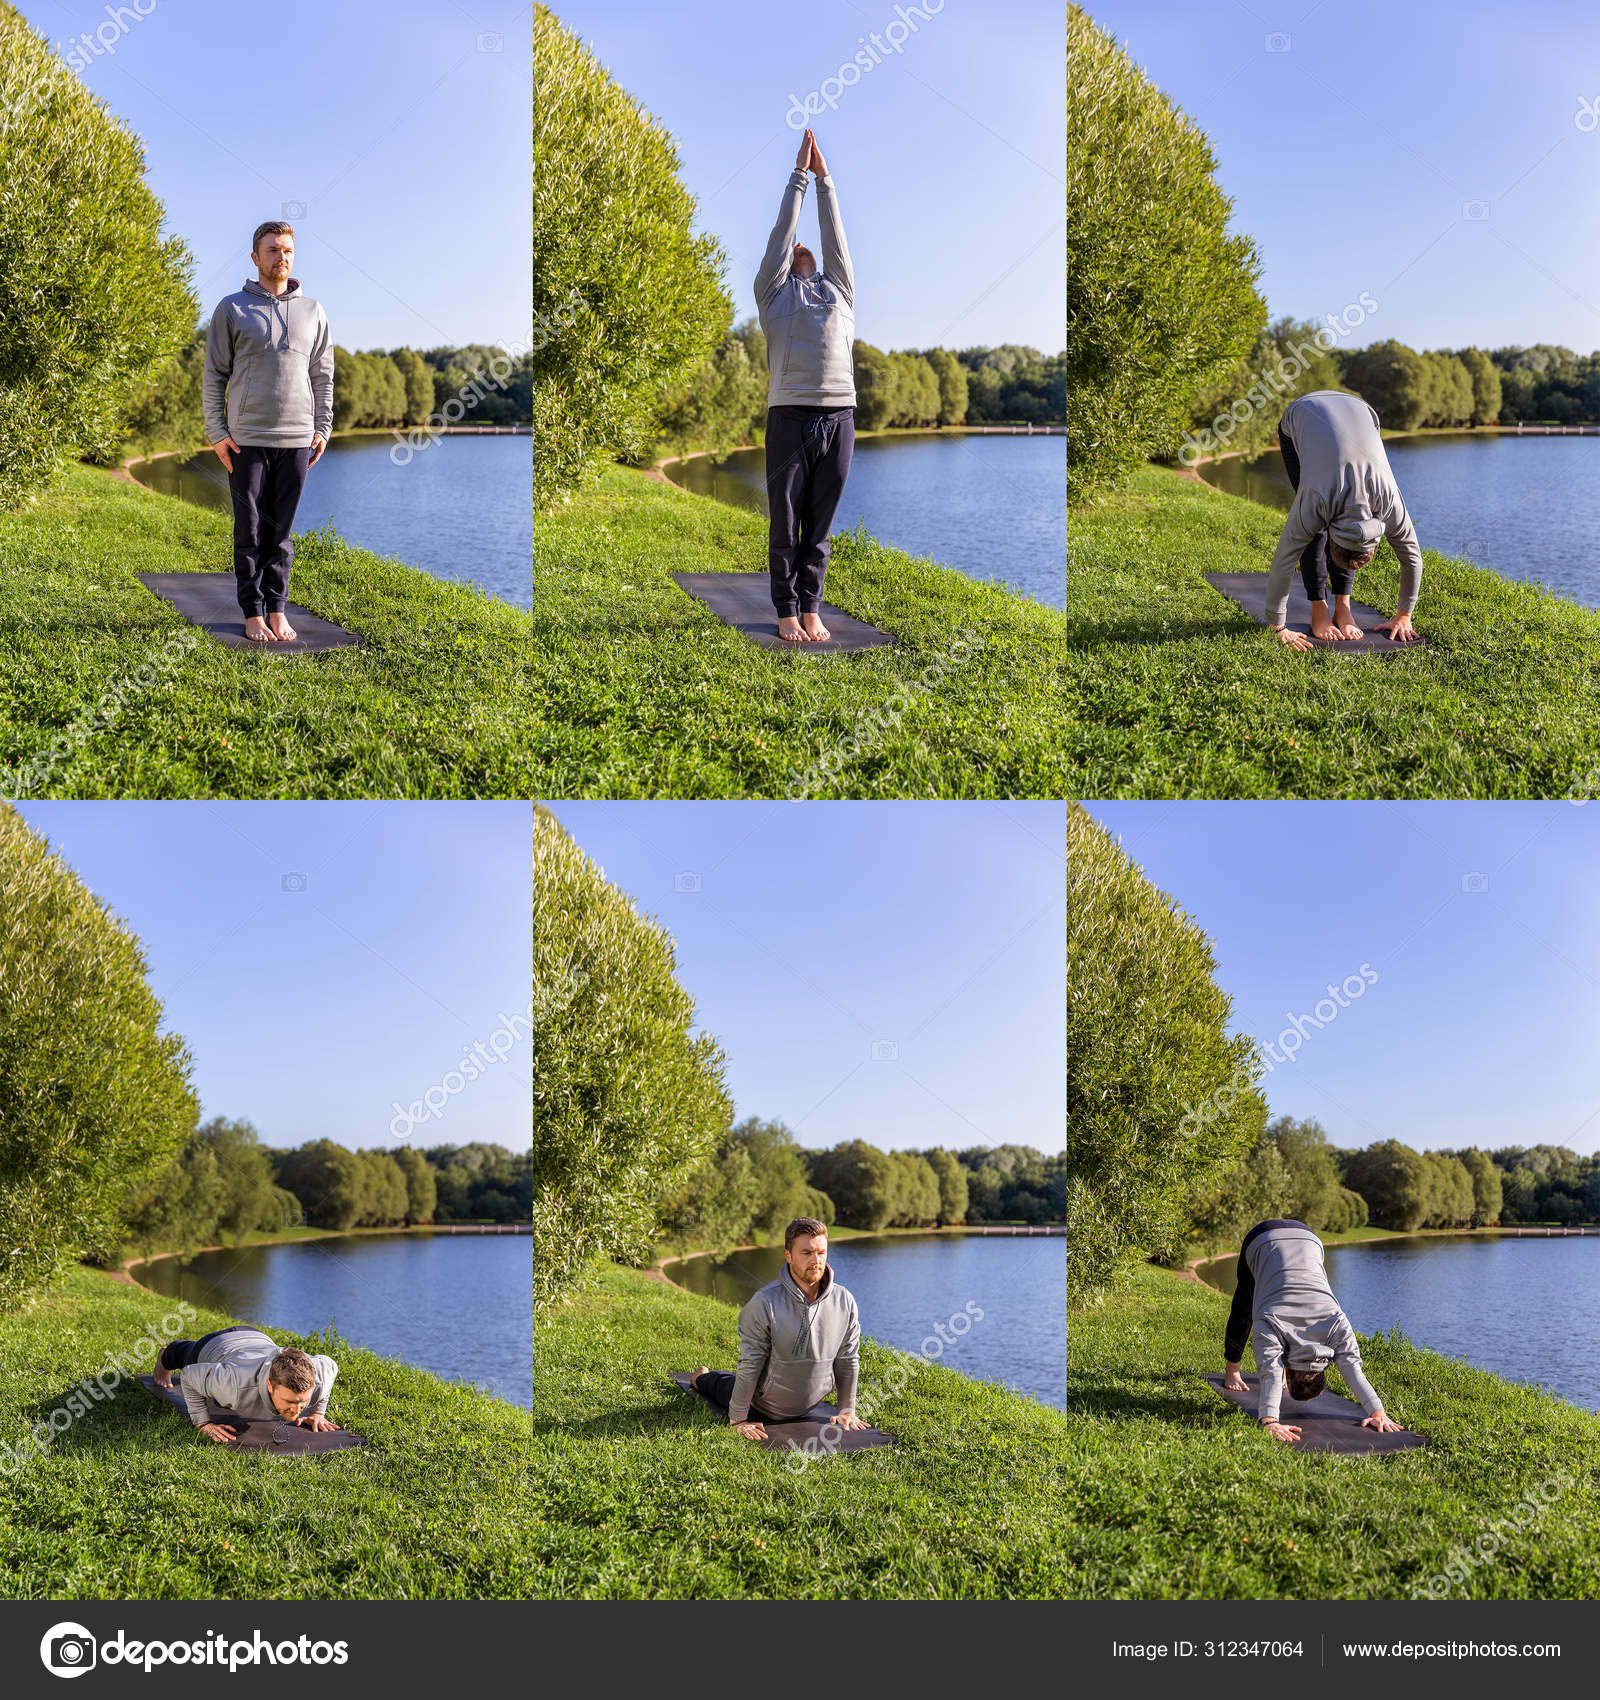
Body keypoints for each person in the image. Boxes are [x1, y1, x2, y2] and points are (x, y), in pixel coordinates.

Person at [202, 222, 334, 645]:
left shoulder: (314, 311)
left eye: (288, 250)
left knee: (281, 533)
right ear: (256, 257)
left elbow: (323, 376)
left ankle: (277, 608)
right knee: (250, 529)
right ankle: (252, 612)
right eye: (273, 250)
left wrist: (323, 429)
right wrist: (217, 432)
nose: (282, 257)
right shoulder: (231, 308)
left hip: (297, 439)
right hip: (246, 438)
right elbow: (214, 376)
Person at [753, 129, 856, 644]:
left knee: (819, 524)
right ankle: (786, 610)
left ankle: (812, 607)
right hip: (790, 417)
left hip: (840, 418)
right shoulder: (773, 296)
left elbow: (835, 236)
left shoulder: (840, 291)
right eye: (792, 251)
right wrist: (797, 177)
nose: (800, 249)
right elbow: (780, 235)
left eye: (802, 250)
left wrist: (824, 181)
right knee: (786, 519)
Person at [1221, 1217, 1405, 1444]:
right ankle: (1232, 1370)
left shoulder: (1337, 1320)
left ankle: (1233, 1369)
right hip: (1261, 1239)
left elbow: (1352, 1368)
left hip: (1310, 1238)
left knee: (1247, 1310)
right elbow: (1269, 1369)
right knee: (1243, 1306)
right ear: (1286, 1369)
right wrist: (1269, 1421)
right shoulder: (1270, 1320)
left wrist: (1379, 1412)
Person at [1266, 389, 1423, 650]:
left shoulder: (1388, 501)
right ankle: (1319, 609)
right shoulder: (1316, 499)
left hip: (1362, 411)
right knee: (1312, 530)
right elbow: (1285, 558)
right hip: (1303, 412)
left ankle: (1343, 607)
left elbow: (1412, 556)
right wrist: (1278, 626)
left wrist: (1404, 615)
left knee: (1315, 522)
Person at [689, 1217, 869, 1441]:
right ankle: (701, 1377)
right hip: (763, 1404)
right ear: (788, 1255)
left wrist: (846, 1410)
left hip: (810, 1403)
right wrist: (738, 1419)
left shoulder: (845, 1301)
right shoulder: (764, 1302)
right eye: (806, 1253)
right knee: (720, 1384)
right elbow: (751, 1363)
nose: (816, 1260)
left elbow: (848, 1358)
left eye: (821, 1252)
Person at [153, 1322, 341, 1445]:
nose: (297, 1409)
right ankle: (165, 1354)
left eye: (302, 1402)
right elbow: (188, 1376)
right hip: (218, 1345)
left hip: (257, 1337)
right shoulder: (233, 1384)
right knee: (182, 1355)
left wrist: (317, 1413)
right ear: (270, 1385)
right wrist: (203, 1423)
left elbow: (331, 1365)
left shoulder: (319, 1378)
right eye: (289, 1402)